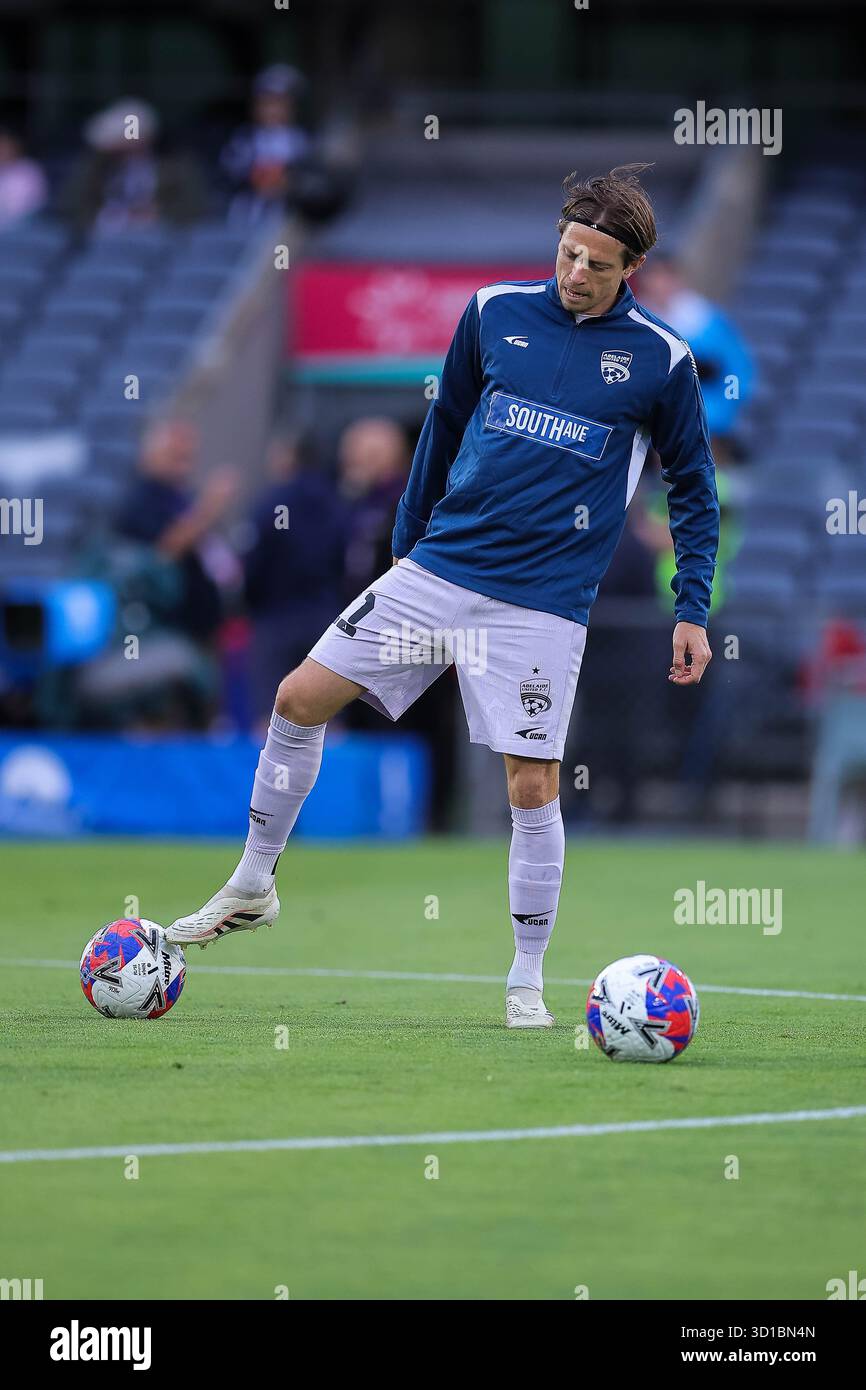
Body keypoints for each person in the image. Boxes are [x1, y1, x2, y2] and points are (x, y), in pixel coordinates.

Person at [166, 165, 719, 1032]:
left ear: (631, 272)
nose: (577, 273)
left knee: (531, 785)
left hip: (541, 602)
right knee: (298, 696)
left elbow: (692, 486)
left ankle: (525, 981)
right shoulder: (496, 312)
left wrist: (691, 607)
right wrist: (406, 545)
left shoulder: (661, 359)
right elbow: (444, 427)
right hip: (440, 569)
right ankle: (254, 880)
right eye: (570, 253)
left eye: (598, 265)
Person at [0, 127, 47, 229]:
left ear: (15, 146)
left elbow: (17, 214)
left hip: (19, 231)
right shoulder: (3, 169)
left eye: (3, 145)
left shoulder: (28, 172)